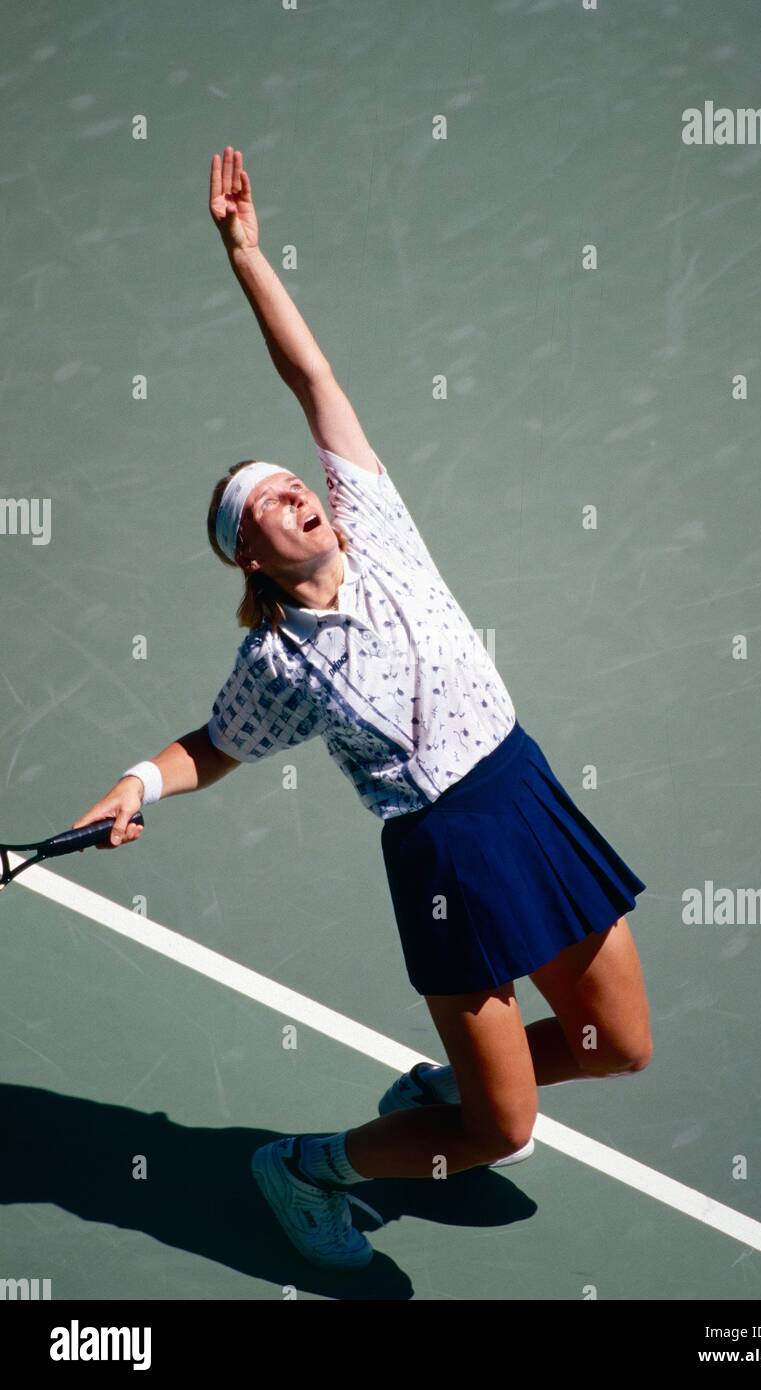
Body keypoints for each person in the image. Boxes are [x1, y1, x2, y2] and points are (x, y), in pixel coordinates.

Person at [73, 147, 652, 1273]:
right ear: (250, 548)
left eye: (295, 478)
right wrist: (135, 784)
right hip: (443, 857)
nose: (295, 488)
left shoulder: (375, 522)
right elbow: (210, 747)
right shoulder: (276, 662)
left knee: (612, 1043)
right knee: (499, 1132)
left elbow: (313, 378)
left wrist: (245, 255)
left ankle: (436, 1089)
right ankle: (305, 1166)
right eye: (269, 499)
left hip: (521, 794)